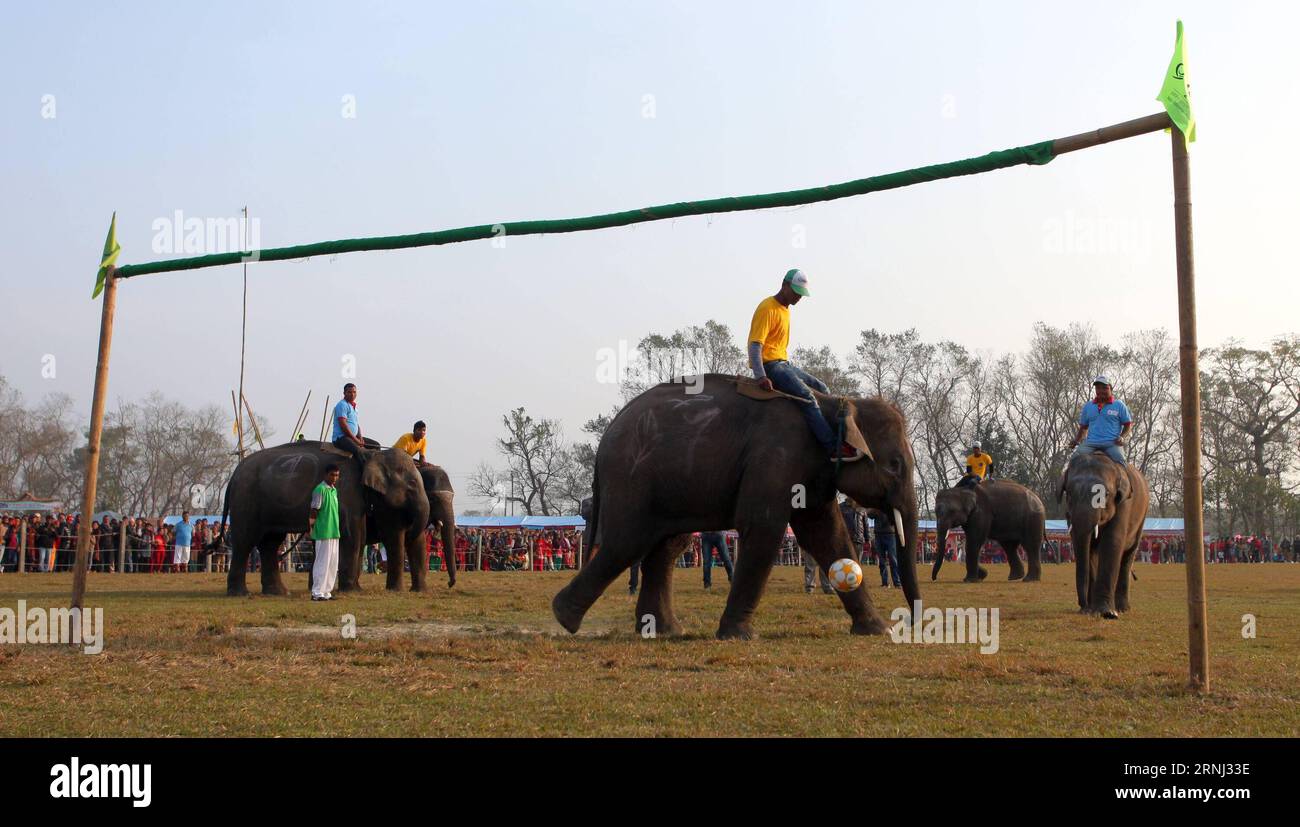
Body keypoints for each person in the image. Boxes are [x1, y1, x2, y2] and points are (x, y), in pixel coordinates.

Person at [748, 268, 862, 462]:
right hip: (771, 366)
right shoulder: (767, 308)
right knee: (808, 398)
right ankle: (832, 448)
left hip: (784, 363)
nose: (799, 298)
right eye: (796, 292)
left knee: (823, 388)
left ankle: (842, 437)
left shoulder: (785, 310)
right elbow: (755, 344)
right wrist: (760, 376)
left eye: (801, 295)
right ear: (784, 285)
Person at [1068, 376, 1132, 465]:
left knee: (1121, 461)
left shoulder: (1119, 405)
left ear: (1111, 389)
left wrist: (1122, 437)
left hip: (1111, 443)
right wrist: (1076, 440)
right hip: (1091, 443)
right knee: (1074, 460)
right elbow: (1083, 428)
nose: (1101, 391)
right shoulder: (1088, 406)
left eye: (1104, 388)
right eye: (1098, 388)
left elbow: (1127, 425)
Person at [309, 464, 343, 601]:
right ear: (326, 475)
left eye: (337, 475)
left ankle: (327, 591)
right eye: (332, 475)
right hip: (323, 532)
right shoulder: (320, 489)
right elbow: (314, 510)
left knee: (332, 564)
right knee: (322, 562)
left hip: (334, 531)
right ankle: (317, 592)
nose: (334, 478)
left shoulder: (334, 491)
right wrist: (310, 528)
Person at [331, 383, 367, 462]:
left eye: (354, 392)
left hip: (352, 437)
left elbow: (356, 424)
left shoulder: (354, 407)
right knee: (359, 451)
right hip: (341, 438)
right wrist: (356, 440)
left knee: (376, 445)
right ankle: (363, 473)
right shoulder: (342, 405)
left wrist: (360, 438)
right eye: (349, 392)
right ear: (344, 393)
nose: (352, 394)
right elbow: (344, 425)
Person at [872, 511, 901, 589]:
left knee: (893, 560)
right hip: (878, 534)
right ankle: (885, 583)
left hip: (890, 534)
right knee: (882, 561)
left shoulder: (892, 505)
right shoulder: (875, 505)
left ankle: (897, 582)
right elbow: (870, 514)